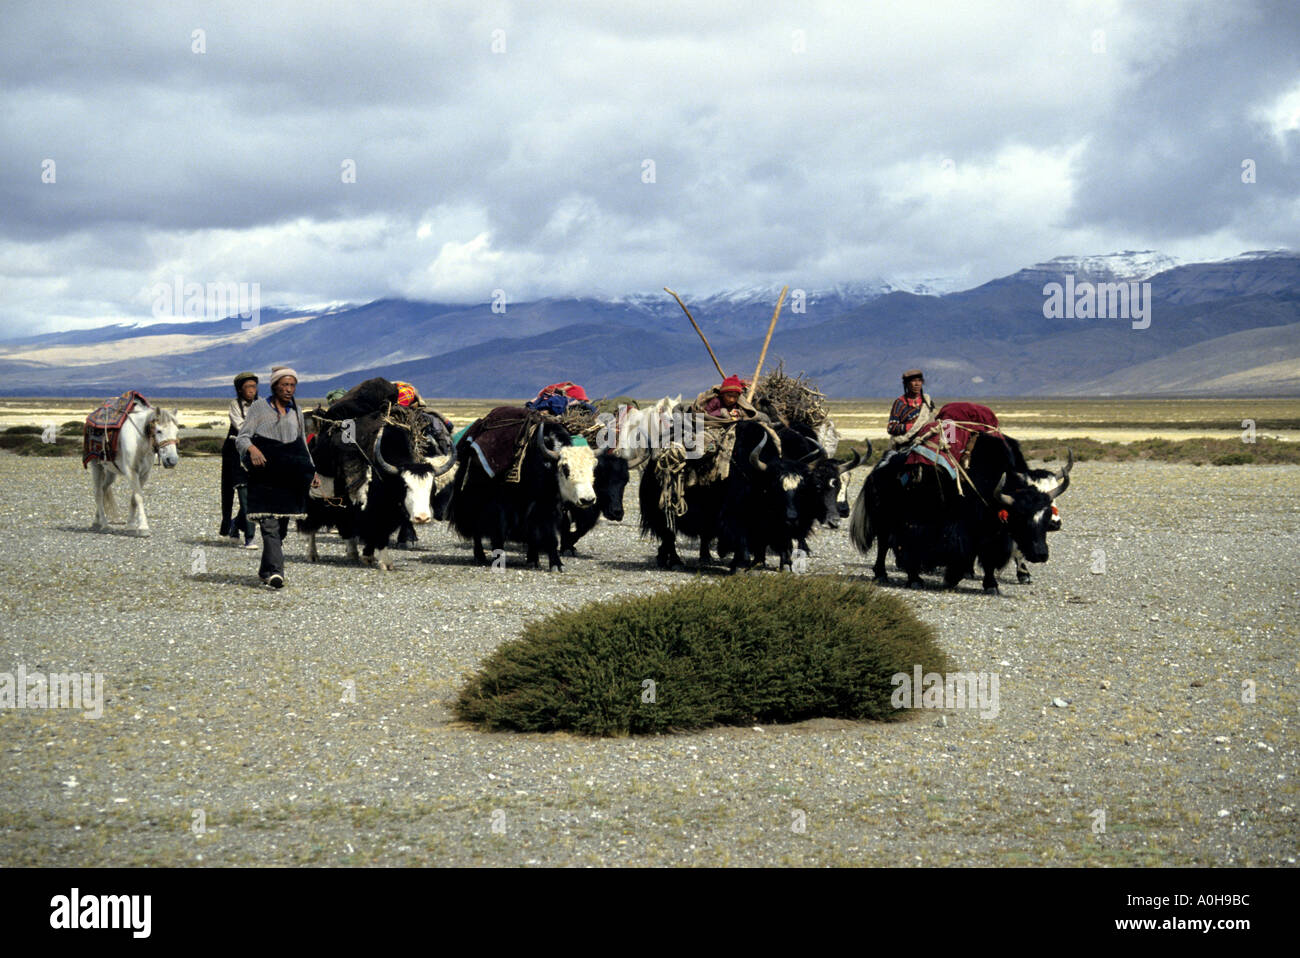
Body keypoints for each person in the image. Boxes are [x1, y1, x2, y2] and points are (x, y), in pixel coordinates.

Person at [237, 366, 315, 589]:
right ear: (274, 387)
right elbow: (242, 438)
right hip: (264, 477)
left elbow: (302, 445)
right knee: (269, 526)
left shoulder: (296, 412)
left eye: (292, 385)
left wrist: (312, 471)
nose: (289, 389)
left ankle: (264, 570)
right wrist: (252, 449)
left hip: (289, 478)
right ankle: (276, 573)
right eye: (284, 385)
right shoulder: (259, 408)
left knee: (280, 530)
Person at [220, 372, 260, 548]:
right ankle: (250, 537)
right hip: (236, 454)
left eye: (254, 387)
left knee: (255, 495)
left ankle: (236, 524)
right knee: (243, 491)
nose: (252, 390)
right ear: (240, 390)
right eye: (248, 387)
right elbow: (240, 427)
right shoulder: (235, 405)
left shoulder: (262, 405)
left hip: (258, 453)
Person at [886, 369, 936, 448]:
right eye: (913, 381)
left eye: (919, 381)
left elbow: (934, 421)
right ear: (906, 384)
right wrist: (912, 427)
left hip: (926, 442)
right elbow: (891, 427)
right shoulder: (899, 403)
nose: (917, 384)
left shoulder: (927, 402)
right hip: (905, 445)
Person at [694, 374, 759, 420]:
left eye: (735, 397)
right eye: (729, 396)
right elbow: (706, 414)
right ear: (722, 395)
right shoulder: (716, 401)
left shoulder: (737, 404)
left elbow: (744, 414)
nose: (732, 400)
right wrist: (720, 412)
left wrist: (738, 413)